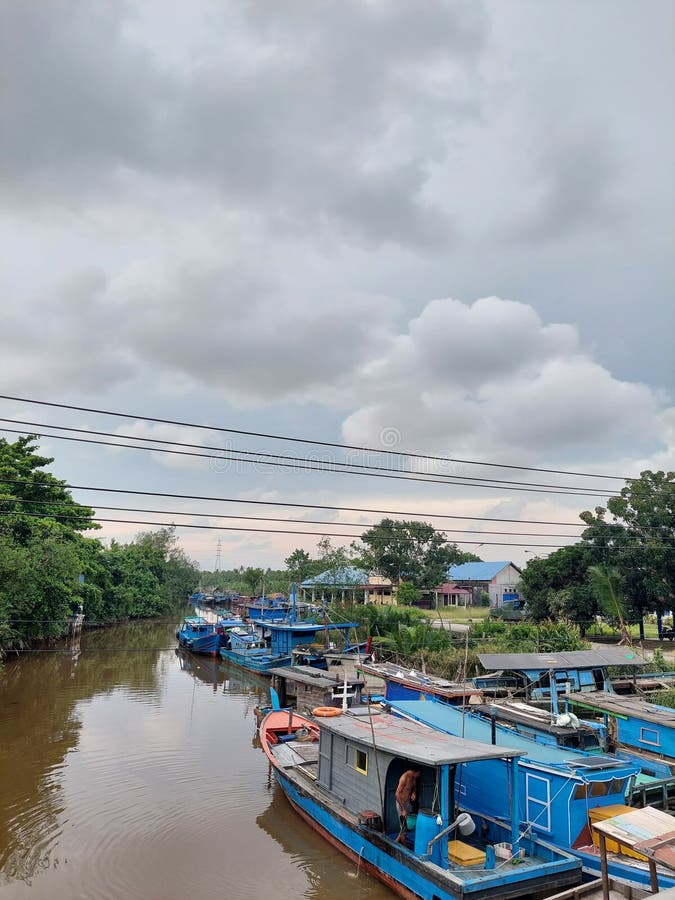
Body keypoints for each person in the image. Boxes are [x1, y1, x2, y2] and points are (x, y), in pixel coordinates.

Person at [395, 769, 420, 843]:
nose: (419, 776)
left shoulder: (414, 778)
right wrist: (403, 810)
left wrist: (413, 793)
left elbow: (413, 788)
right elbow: (397, 794)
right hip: (401, 803)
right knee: (403, 825)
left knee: (406, 824)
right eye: (419, 774)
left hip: (408, 802)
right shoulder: (404, 778)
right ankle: (404, 844)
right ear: (415, 772)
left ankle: (397, 840)